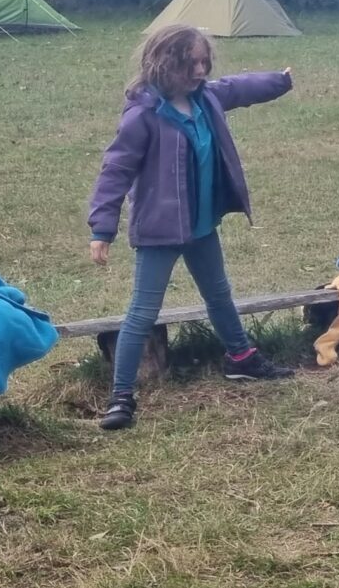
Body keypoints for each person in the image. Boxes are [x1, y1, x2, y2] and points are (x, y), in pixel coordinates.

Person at [86, 25, 296, 430]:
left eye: (204, 62)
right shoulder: (144, 115)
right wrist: (101, 228)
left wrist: (280, 81)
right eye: (190, 64)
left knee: (219, 294)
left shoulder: (205, 98)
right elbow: (116, 170)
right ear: (164, 64)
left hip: (201, 226)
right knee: (142, 312)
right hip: (159, 231)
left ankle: (241, 358)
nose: (200, 71)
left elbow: (239, 88)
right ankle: (121, 397)